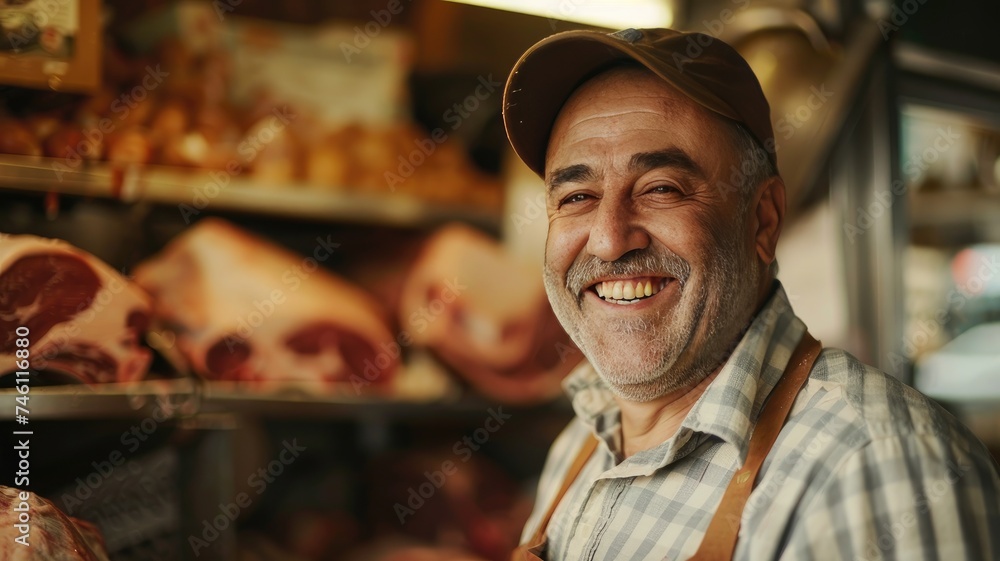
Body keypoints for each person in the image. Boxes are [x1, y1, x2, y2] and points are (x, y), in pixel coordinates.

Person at [501, 27, 1000, 560]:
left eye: (661, 188)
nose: (607, 238)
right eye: (577, 196)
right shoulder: (580, 446)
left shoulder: (881, 466)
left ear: (763, 220)